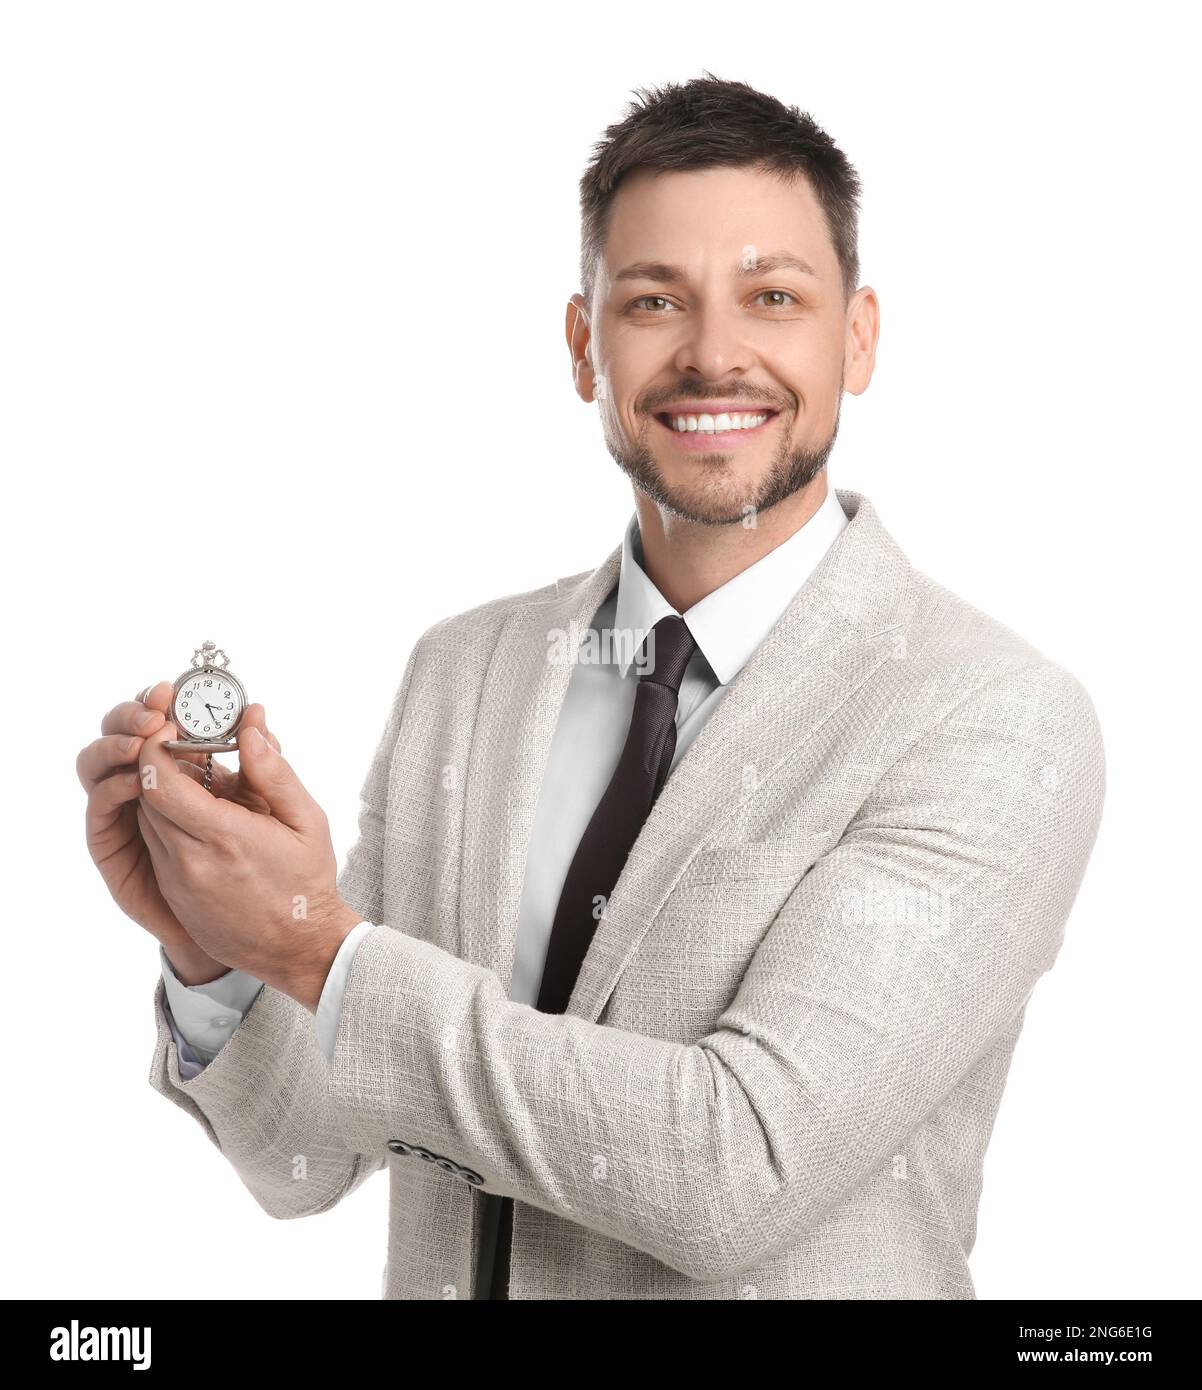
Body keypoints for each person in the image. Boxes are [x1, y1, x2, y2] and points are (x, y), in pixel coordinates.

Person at [77, 74, 1105, 1300]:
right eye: (653, 300)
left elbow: (735, 1171)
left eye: (772, 298)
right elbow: (311, 1156)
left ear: (858, 336)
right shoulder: (464, 671)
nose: (713, 353)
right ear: (583, 345)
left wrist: (317, 947)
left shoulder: (986, 716)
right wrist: (223, 952)